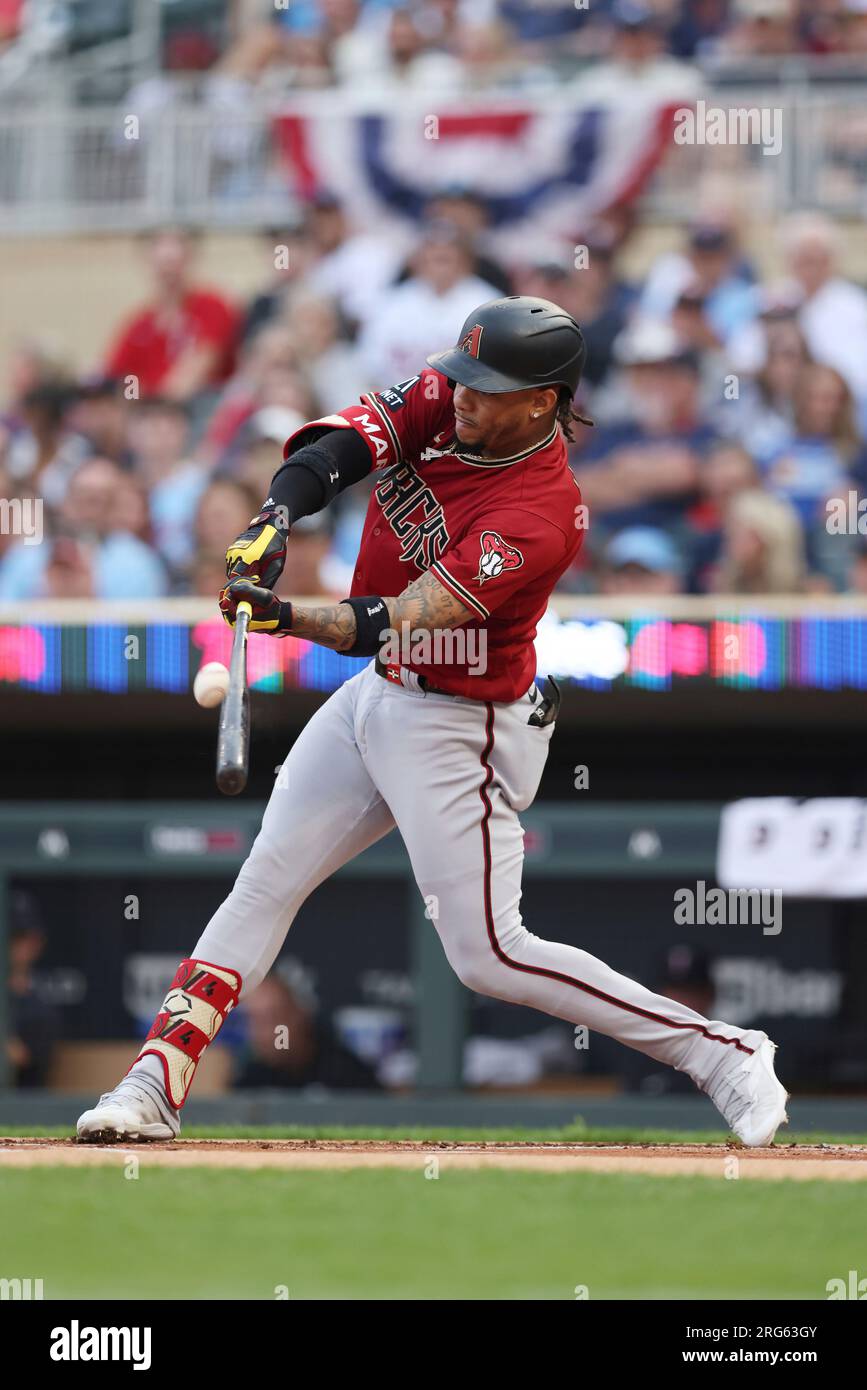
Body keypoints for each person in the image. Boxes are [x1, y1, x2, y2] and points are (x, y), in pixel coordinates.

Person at [76, 295, 787, 1148]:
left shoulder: (542, 512)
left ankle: (724, 1054)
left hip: (461, 722)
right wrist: (273, 517)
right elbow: (337, 452)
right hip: (381, 694)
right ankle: (156, 1079)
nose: (462, 397)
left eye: (488, 389)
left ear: (542, 403)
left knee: (488, 954)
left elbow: (395, 617)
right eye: (463, 376)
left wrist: (283, 617)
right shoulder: (451, 398)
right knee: (265, 880)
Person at [103, 228, 240, 403]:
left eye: (175, 263)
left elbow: (201, 365)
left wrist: (156, 407)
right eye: (162, 264)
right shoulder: (139, 323)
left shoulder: (211, 305)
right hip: (151, 411)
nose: (169, 273)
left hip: (201, 405)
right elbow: (119, 377)